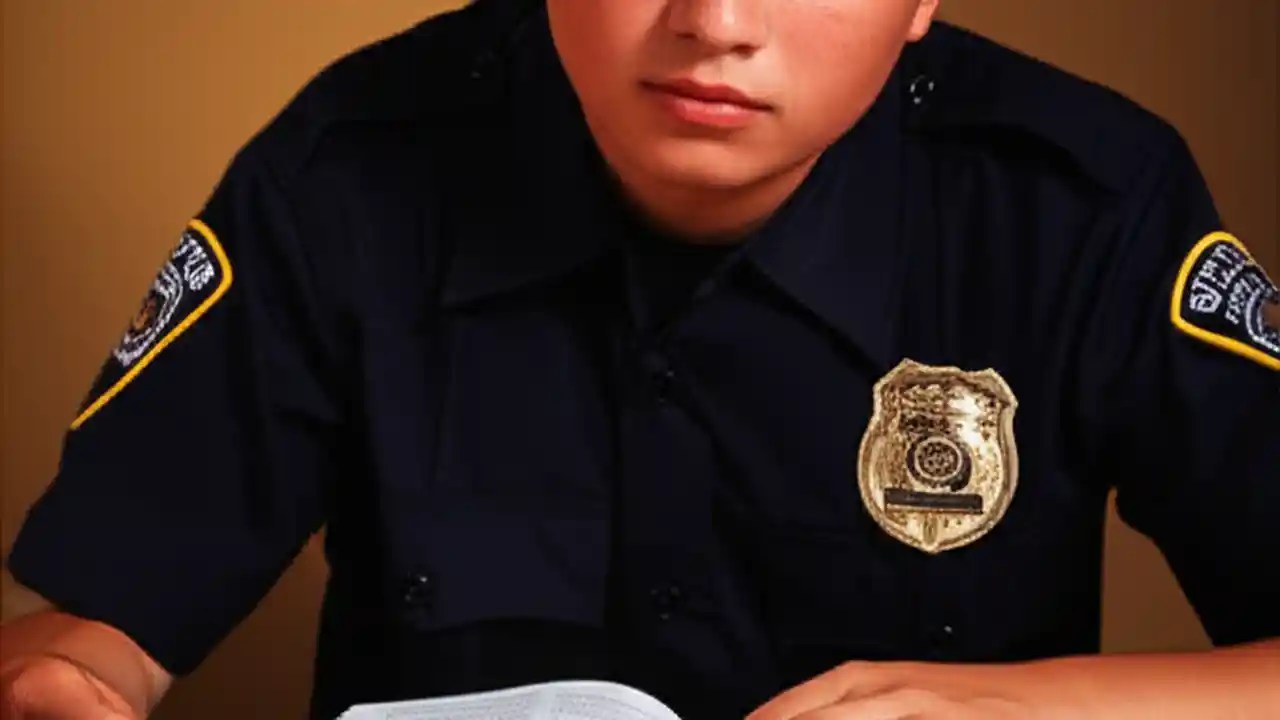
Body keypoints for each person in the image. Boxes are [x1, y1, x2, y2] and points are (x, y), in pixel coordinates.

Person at [2, 0, 1277, 718]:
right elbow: (93, 634)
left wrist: (1017, 715)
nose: (714, 20)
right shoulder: (348, 168)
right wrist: (63, 685)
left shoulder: (1083, 203)